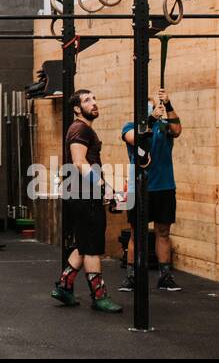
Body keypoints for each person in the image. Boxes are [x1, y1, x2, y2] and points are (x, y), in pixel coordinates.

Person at [52, 88, 122, 313]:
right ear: (76, 108)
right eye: (87, 100)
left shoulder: (82, 129)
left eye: (94, 98)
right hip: (84, 194)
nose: (93, 103)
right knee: (92, 247)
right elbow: (80, 162)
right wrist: (102, 185)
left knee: (84, 243)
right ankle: (99, 297)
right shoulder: (80, 128)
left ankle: (64, 286)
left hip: (82, 193)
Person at [119, 88, 183, 292]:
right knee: (136, 234)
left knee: (163, 232)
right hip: (140, 188)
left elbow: (177, 130)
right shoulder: (129, 127)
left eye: (153, 105)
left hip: (164, 187)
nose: (152, 108)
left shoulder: (164, 127)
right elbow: (137, 138)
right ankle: (132, 277)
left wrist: (169, 104)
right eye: (147, 107)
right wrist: (151, 119)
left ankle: (164, 277)